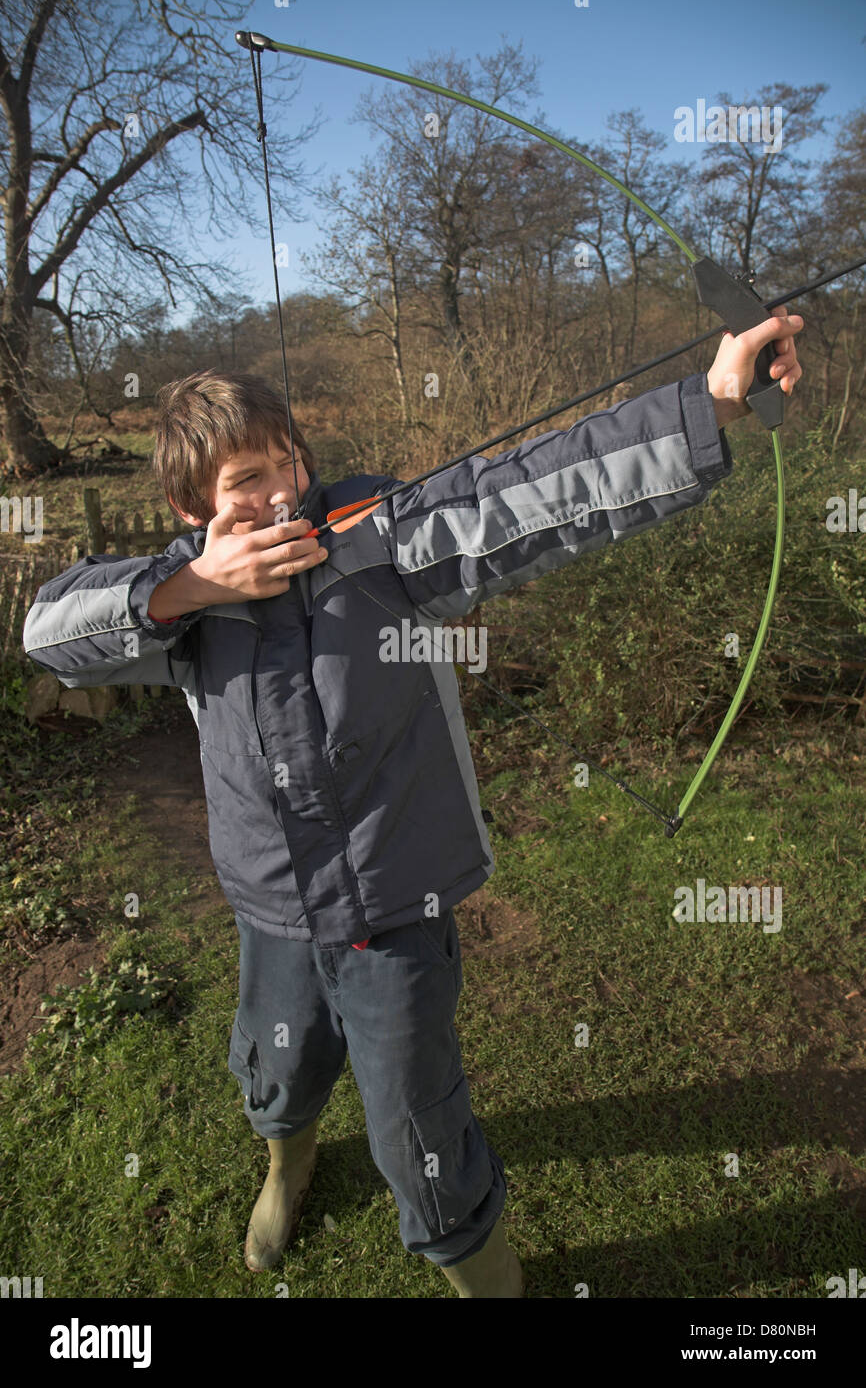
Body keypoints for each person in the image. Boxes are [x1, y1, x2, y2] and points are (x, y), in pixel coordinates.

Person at [22, 309, 803, 1297]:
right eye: (244, 481)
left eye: (286, 463)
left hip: (396, 905)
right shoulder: (181, 611)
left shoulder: (376, 539)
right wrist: (189, 586)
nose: (279, 494)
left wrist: (708, 402)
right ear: (193, 508)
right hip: (272, 907)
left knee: (415, 1123)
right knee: (278, 1063)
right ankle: (287, 1159)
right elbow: (47, 629)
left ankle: (480, 1270)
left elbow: (535, 493)